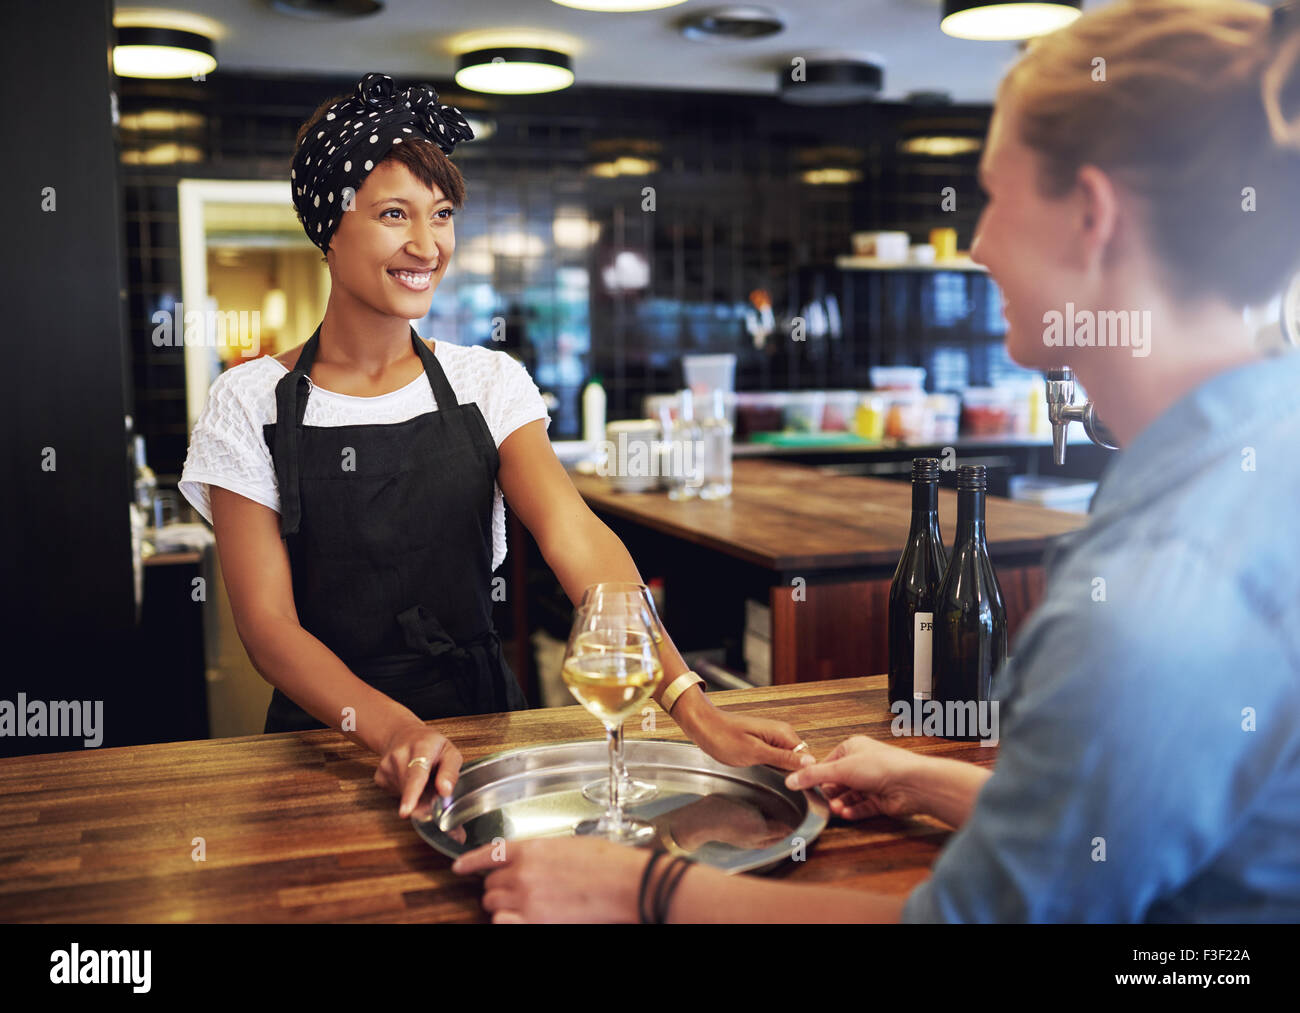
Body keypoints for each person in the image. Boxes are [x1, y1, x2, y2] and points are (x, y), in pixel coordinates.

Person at [452, 0, 1300, 922]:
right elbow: (1122, 828)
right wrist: (926, 778)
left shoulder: (1159, 587)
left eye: (995, 196)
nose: (974, 243)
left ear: (1091, 215)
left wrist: (641, 886)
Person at [179, 73, 809, 819]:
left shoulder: (488, 381)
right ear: (330, 228)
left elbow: (578, 538)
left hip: (483, 732)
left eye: (441, 214)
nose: (426, 244)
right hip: (325, 751)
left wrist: (689, 704)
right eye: (393, 214)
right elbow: (269, 629)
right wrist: (395, 730)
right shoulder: (248, 402)